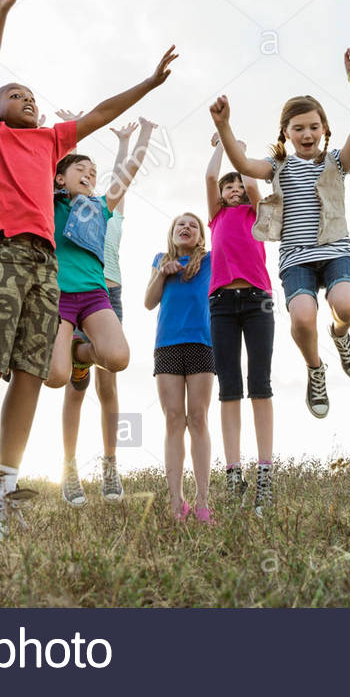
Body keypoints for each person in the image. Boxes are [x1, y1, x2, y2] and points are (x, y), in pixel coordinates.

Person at [0, 0, 176, 541]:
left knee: (28, 373)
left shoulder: (49, 141)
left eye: (34, 97)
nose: (28, 101)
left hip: (45, 266)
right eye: (18, 95)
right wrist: (0, 13)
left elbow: (97, 114)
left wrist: (148, 83)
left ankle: (4, 482)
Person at [209, 46, 350, 419]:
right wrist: (224, 127)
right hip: (296, 257)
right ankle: (316, 368)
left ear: (324, 130)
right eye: (298, 128)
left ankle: (341, 335)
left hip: (335, 250)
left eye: (314, 127)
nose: (307, 133)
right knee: (301, 316)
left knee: (345, 305)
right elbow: (242, 162)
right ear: (286, 133)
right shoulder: (277, 166)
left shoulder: (336, 162)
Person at [50, 119, 156, 506]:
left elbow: (127, 173)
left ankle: (83, 354)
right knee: (56, 378)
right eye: (81, 169)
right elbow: (41, 167)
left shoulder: (100, 207)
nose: (89, 174)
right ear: (60, 177)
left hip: (97, 295)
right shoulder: (50, 203)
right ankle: (70, 467)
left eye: (93, 172)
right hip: (59, 298)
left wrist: (141, 136)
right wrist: (52, 135)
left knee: (117, 359)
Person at [205, 133, 275, 514]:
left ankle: (265, 473)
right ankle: (234, 472)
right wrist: (219, 147)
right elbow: (208, 176)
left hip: (257, 301)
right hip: (220, 304)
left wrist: (241, 153)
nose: (234, 189)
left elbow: (252, 180)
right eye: (227, 186)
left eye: (237, 185)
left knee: (259, 385)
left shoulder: (256, 213)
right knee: (228, 388)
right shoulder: (215, 217)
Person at [144, 213, 215, 523]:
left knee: (198, 418)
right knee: (174, 420)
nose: (186, 227)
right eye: (180, 225)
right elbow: (149, 302)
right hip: (168, 345)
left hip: (202, 343)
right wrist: (162, 273)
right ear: (172, 234)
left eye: (193, 225)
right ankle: (176, 504)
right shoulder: (160, 260)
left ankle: (202, 503)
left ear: (200, 237)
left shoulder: (211, 261)